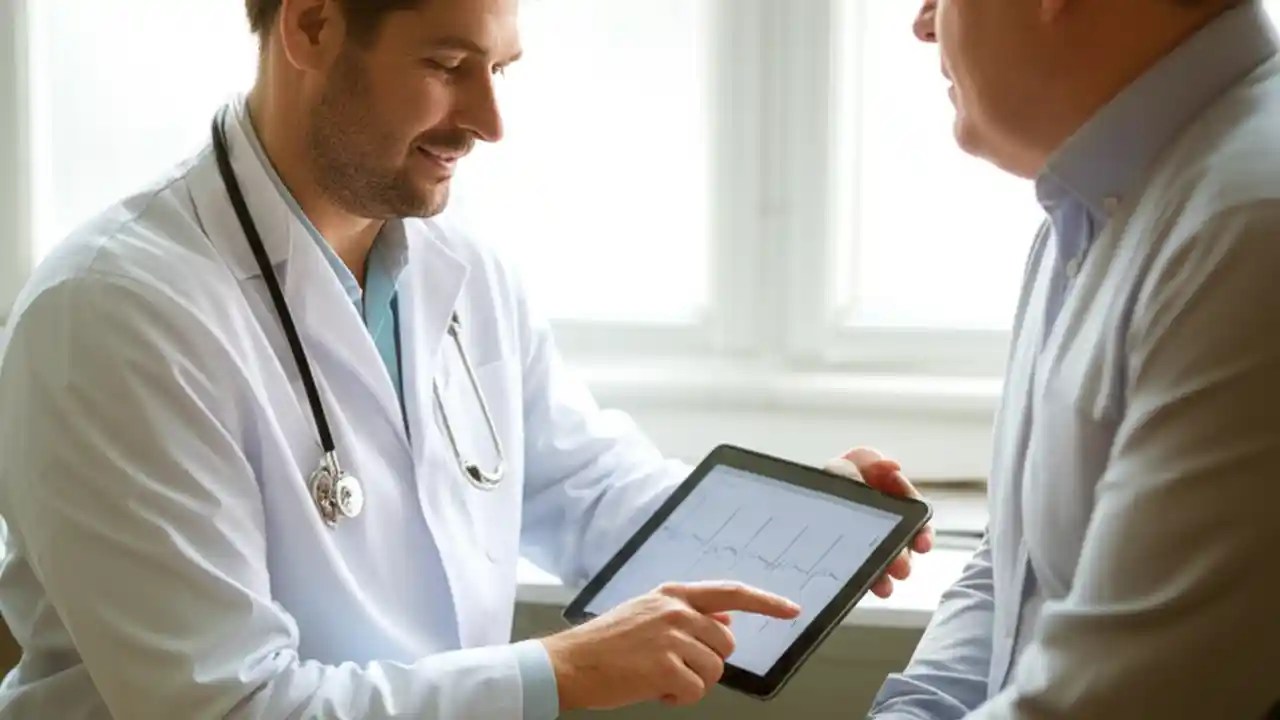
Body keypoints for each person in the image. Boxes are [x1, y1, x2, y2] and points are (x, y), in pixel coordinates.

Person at [0, 0, 933, 718]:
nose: (489, 120)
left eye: (500, 68)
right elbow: (228, 705)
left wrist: (798, 521)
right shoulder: (114, 314)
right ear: (313, 25)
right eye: (448, 66)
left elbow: (595, 499)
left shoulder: (463, 276)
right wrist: (556, 675)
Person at [868, 0, 1280, 718]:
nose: (925, 20)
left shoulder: (1249, 227)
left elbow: (1131, 697)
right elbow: (1016, 573)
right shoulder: (1097, 202)